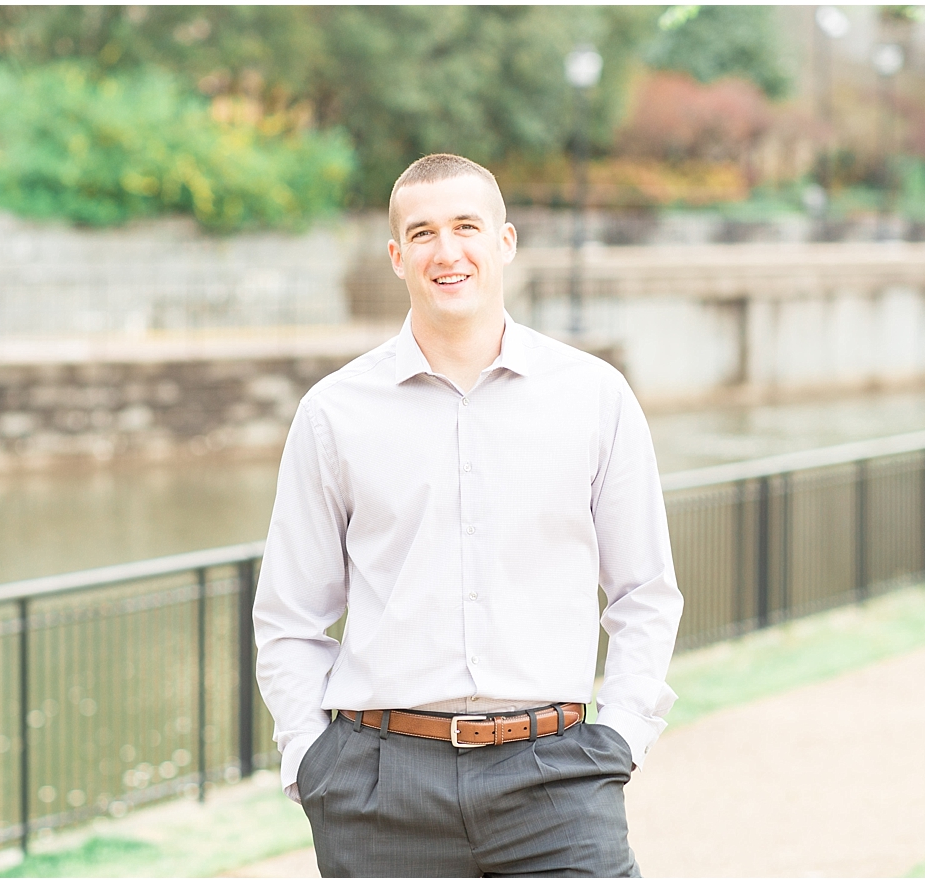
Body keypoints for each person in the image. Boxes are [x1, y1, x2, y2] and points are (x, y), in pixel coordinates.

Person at [253, 153, 683, 878]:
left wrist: (622, 735)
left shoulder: (594, 396)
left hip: (557, 778)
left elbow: (644, 592)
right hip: (381, 789)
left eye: (465, 226)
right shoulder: (335, 412)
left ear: (504, 241)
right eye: (422, 233)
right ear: (397, 256)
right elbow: (290, 613)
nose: (446, 251)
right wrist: (309, 755)